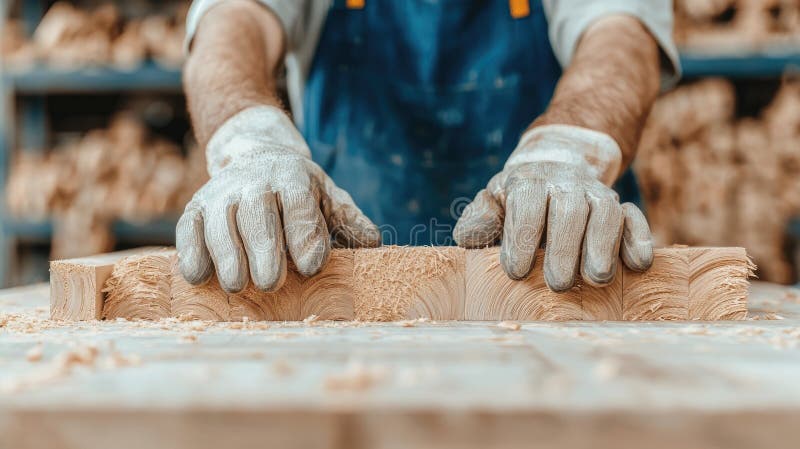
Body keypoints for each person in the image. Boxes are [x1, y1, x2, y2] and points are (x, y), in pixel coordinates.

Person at [177, 0, 680, 294]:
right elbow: (231, 22)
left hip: (557, 277)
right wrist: (250, 144)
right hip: (334, 293)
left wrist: (568, 152)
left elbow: (621, 38)